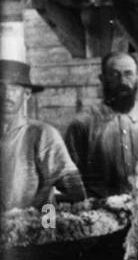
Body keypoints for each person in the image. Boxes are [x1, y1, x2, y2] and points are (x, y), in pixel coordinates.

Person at [64, 52, 138, 198]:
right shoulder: (82, 124)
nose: (122, 81)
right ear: (103, 79)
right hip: (102, 213)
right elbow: (71, 180)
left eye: (128, 74)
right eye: (114, 75)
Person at [1, 59, 86, 210]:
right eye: (0, 86)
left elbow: (75, 193)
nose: (6, 94)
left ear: (26, 94)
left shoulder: (42, 135)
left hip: (34, 228)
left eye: (14, 88)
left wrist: (47, 226)